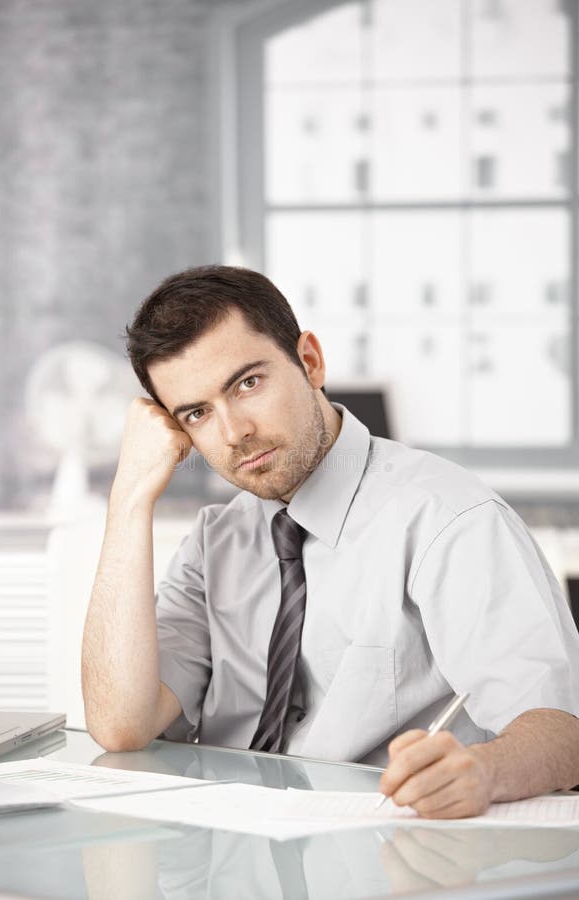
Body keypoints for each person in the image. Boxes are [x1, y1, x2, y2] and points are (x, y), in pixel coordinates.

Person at [82, 265, 579, 819]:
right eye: (197, 413)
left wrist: (485, 771)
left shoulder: (449, 518)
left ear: (311, 362)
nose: (233, 432)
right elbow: (120, 724)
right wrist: (129, 497)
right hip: (229, 856)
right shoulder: (213, 542)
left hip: (383, 858)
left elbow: (563, 731)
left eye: (248, 383)